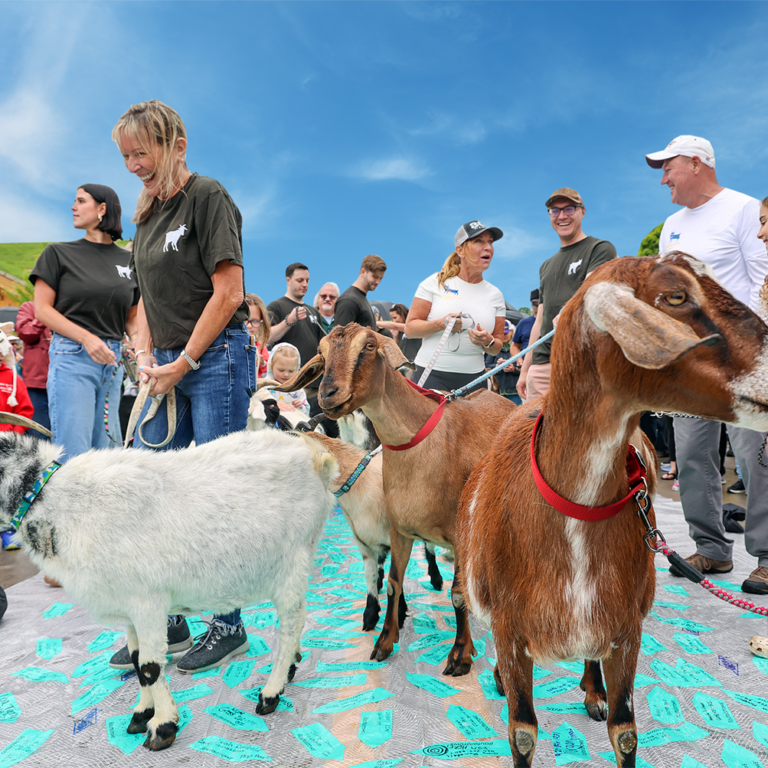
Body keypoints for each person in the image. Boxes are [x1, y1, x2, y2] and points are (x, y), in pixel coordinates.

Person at [109, 99, 255, 672]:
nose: (133, 165)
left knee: (215, 496)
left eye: (141, 152)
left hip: (214, 357)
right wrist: (148, 358)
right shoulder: (144, 216)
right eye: (124, 156)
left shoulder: (208, 197)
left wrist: (185, 362)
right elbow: (140, 301)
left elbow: (229, 292)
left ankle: (228, 624)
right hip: (163, 364)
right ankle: (167, 622)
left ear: (177, 145)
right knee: (152, 493)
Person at [646, 136, 768, 594]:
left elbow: (762, 279)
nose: (663, 179)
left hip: (741, 357)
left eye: (668, 168)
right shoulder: (673, 223)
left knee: (755, 460)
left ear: (696, 164)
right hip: (690, 361)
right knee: (693, 456)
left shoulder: (742, 209)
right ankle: (712, 549)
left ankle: (766, 555)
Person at [30, 185, 139, 462]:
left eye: (80, 201)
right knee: (74, 453)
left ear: (102, 209)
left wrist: (139, 346)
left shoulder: (129, 261)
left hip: (113, 362)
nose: (73, 207)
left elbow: (133, 317)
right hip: (73, 355)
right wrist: (88, 338)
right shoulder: (57, 254)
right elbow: (42, 310)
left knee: (106, 451)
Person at [517, 188, 616, 401]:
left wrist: (568, 311)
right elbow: (539, 320)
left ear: (582, 212)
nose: (562, 216)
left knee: (584, 432)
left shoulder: (599, 249)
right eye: (555, 211)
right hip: (542, 365)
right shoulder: (546, 266)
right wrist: (526, 369)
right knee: (536, 432)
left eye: (569, 209)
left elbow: (590, 291)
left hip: (581, 360)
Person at [405, 221, 505, 392]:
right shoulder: (434, 283)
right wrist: (442, 324)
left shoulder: (495, 295)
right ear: (460, 251)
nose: (488, 247)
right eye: (479, 241)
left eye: (490, 241)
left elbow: (497, 347)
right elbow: (410, 329)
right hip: (431, 375)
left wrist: (487, 341)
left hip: (475, 380)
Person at [0, 329, 35, 550]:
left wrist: (12, 435)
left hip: (7, 446)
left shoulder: (12, 378)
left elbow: (25, 410)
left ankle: (7, 531)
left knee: (6, 492)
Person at [267, 263, 325, 365]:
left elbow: (323, 345)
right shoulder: (275, 306)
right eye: (300, 280)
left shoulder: (314, 311)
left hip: (313, 376)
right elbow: (267, 337)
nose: (305, 284)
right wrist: (288, 321)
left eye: (307, 280)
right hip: (286, 375)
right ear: (288, 280)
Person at [15, 301, 51, 435]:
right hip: (37, 385)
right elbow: (25, 332)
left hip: (67, 384)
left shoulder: (68, 307)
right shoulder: (29, 307)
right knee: (38, 433)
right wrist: (45, 314)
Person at [334, 255, 387, 331]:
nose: (378, 281)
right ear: (363, 272)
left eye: (380, 278)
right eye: (375, 277)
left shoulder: (360, 298)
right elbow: (340, 338)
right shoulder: (349, 301)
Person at [263, 343, 310, 416]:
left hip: (291, 425)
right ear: (271, 366)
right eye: (281, 370)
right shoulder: (265, 387)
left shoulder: (297, 389)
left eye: (291, 371)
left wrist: (300, 407)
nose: (286, 374)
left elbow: (307, 413)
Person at [485, 319, 521, 404]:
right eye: (501, 334)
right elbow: (486, 366)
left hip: (514, 391)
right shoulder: (493, 347)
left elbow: (525, 366)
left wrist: (514, 369)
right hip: (497, 391)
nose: (504, 336)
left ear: (511, 332)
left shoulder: (518, 347)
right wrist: (498, 366)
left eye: (505, 333)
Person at [245, 293, 271, 378]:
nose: (249, 326)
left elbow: (269, 372)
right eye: (245, 320)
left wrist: (262, 362)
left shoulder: (261, 347)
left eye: (255, 321)